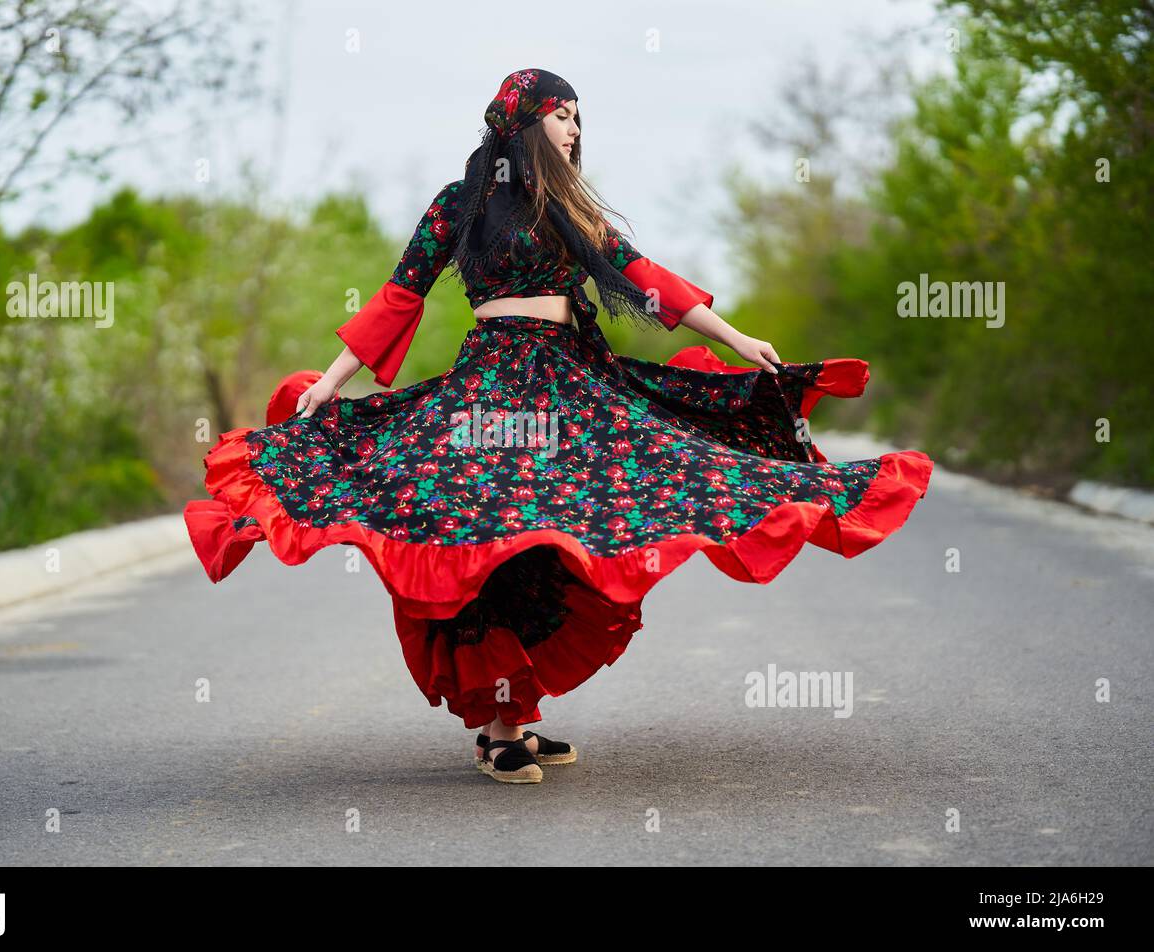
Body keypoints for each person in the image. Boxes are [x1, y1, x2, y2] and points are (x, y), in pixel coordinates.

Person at [184, 68, 934, 785]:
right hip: (492, 387)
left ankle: (513, 711)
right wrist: (329, 381)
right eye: (562, 113)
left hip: (568, 380)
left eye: (579, 117)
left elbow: (645, 277)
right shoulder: (460, 203)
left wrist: (737, 338)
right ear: (523, 119)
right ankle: (502, 726)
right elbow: (398, 296)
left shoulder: (567, 205)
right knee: (495, 533)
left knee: (579, 521)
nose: (574, 130)